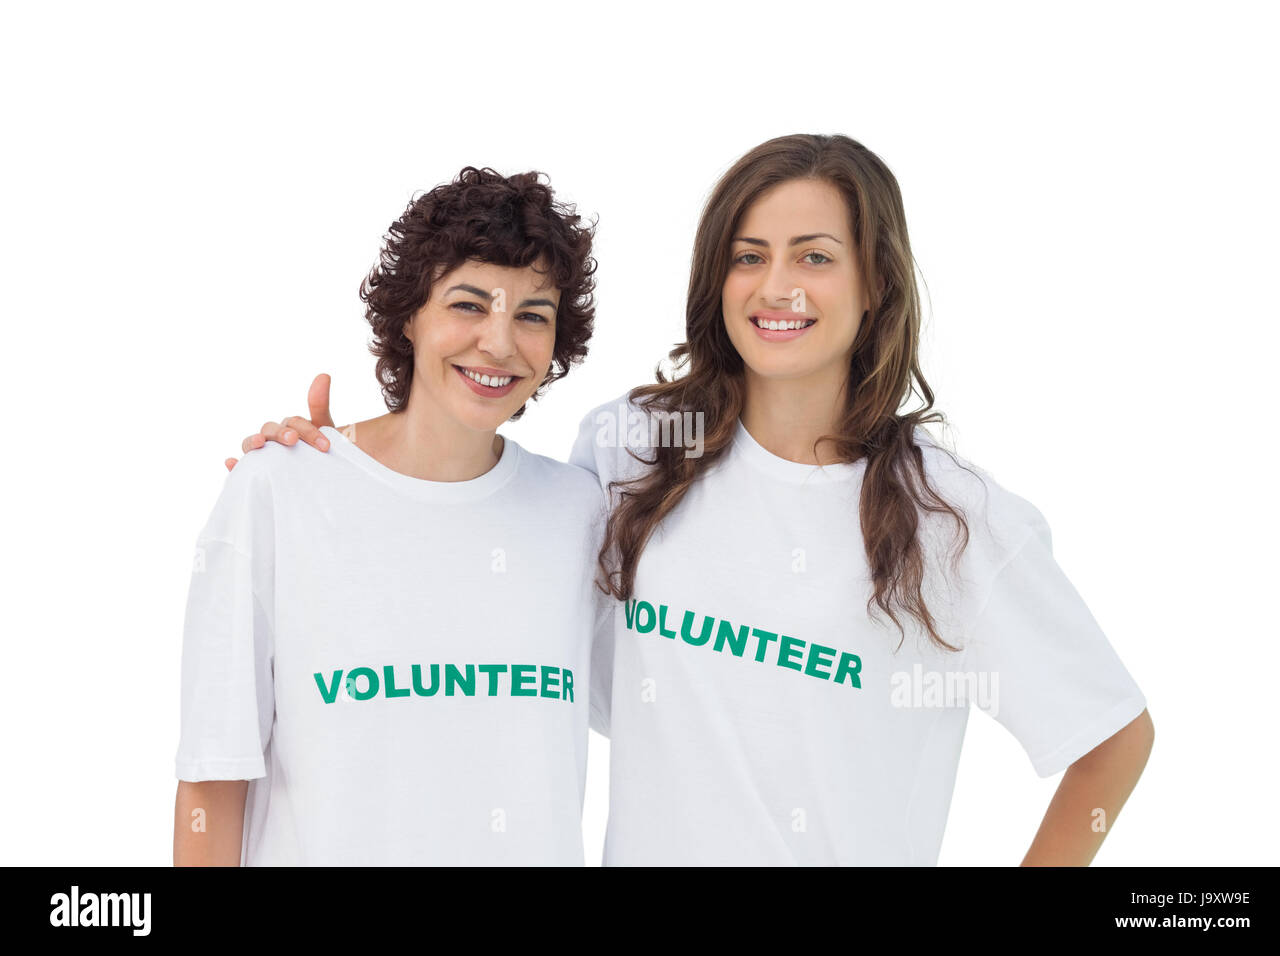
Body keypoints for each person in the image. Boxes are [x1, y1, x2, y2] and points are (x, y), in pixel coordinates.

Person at [233, 134, 1154, 866]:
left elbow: (1112, 736)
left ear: (876, 282)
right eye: (749, 255)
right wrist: (336, 466)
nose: (777, 285)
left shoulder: (952, 519)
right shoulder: (635, 449)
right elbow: (478, 533)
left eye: (817, 256)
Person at [174, 166, 609, 866]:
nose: (499, 343)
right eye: (468, 304)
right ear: (410, 314)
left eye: (532, 315)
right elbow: (213, 771)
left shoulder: (580, 513)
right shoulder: (278, 491)